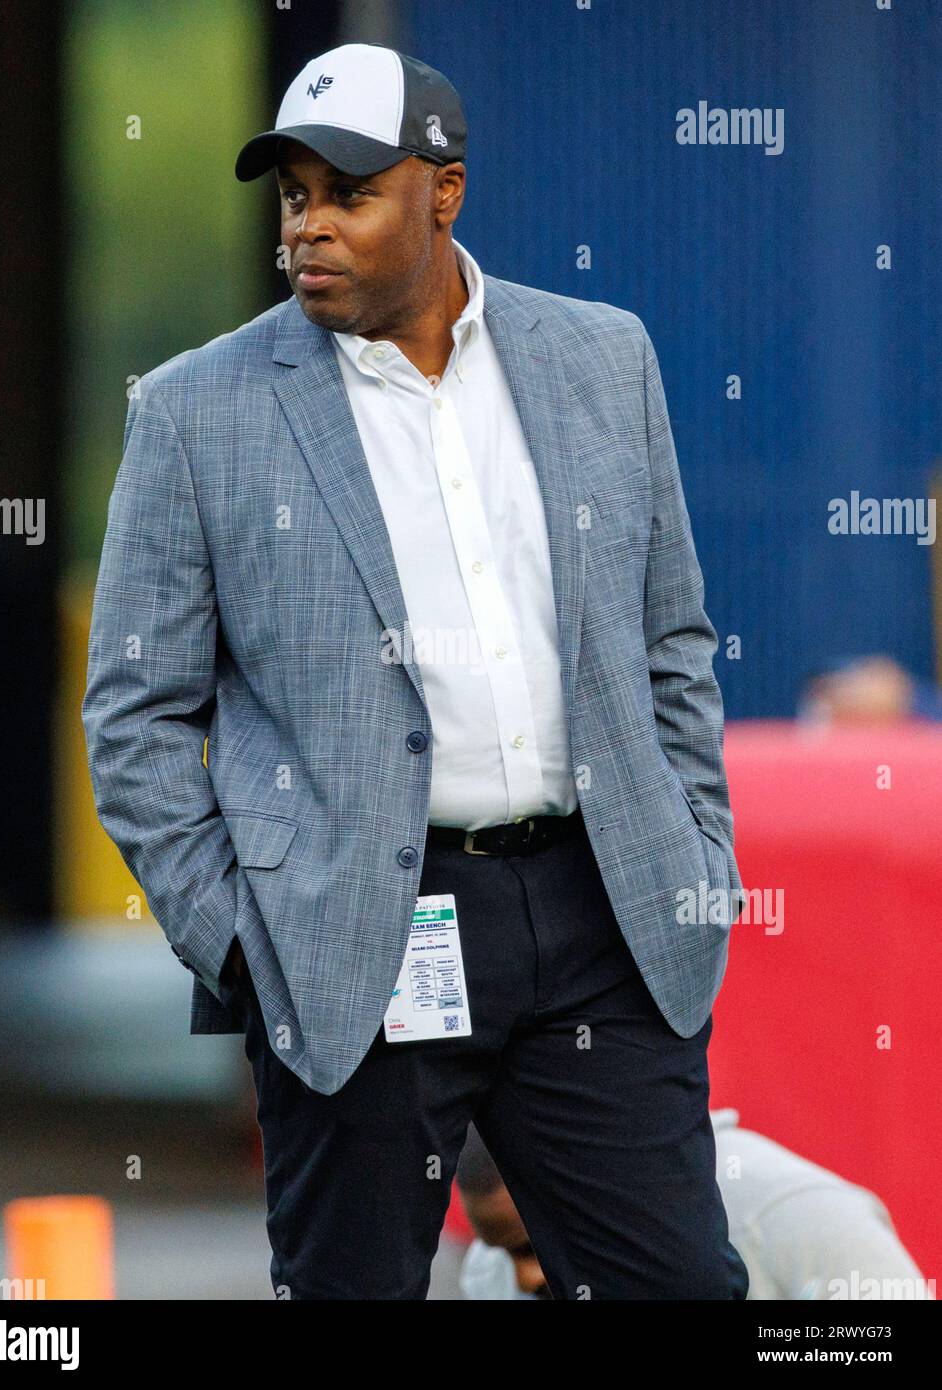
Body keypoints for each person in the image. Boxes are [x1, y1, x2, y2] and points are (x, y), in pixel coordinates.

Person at [82, 42, 748, 1300]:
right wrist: (244, 944)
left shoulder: (604, 359)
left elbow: (672, 644)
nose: (309, 228)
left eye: (348, 191)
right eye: (292, 197)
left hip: (602, 914)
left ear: (443, 193)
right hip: (358, 937)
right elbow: (134, 715)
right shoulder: (196, 413)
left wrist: (697, 852)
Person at [457, 1113, 933, 1301]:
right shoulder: (490, 1274)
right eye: (505, 1251)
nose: (526, 1279)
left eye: (532, 1246)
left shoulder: (787, 1215)